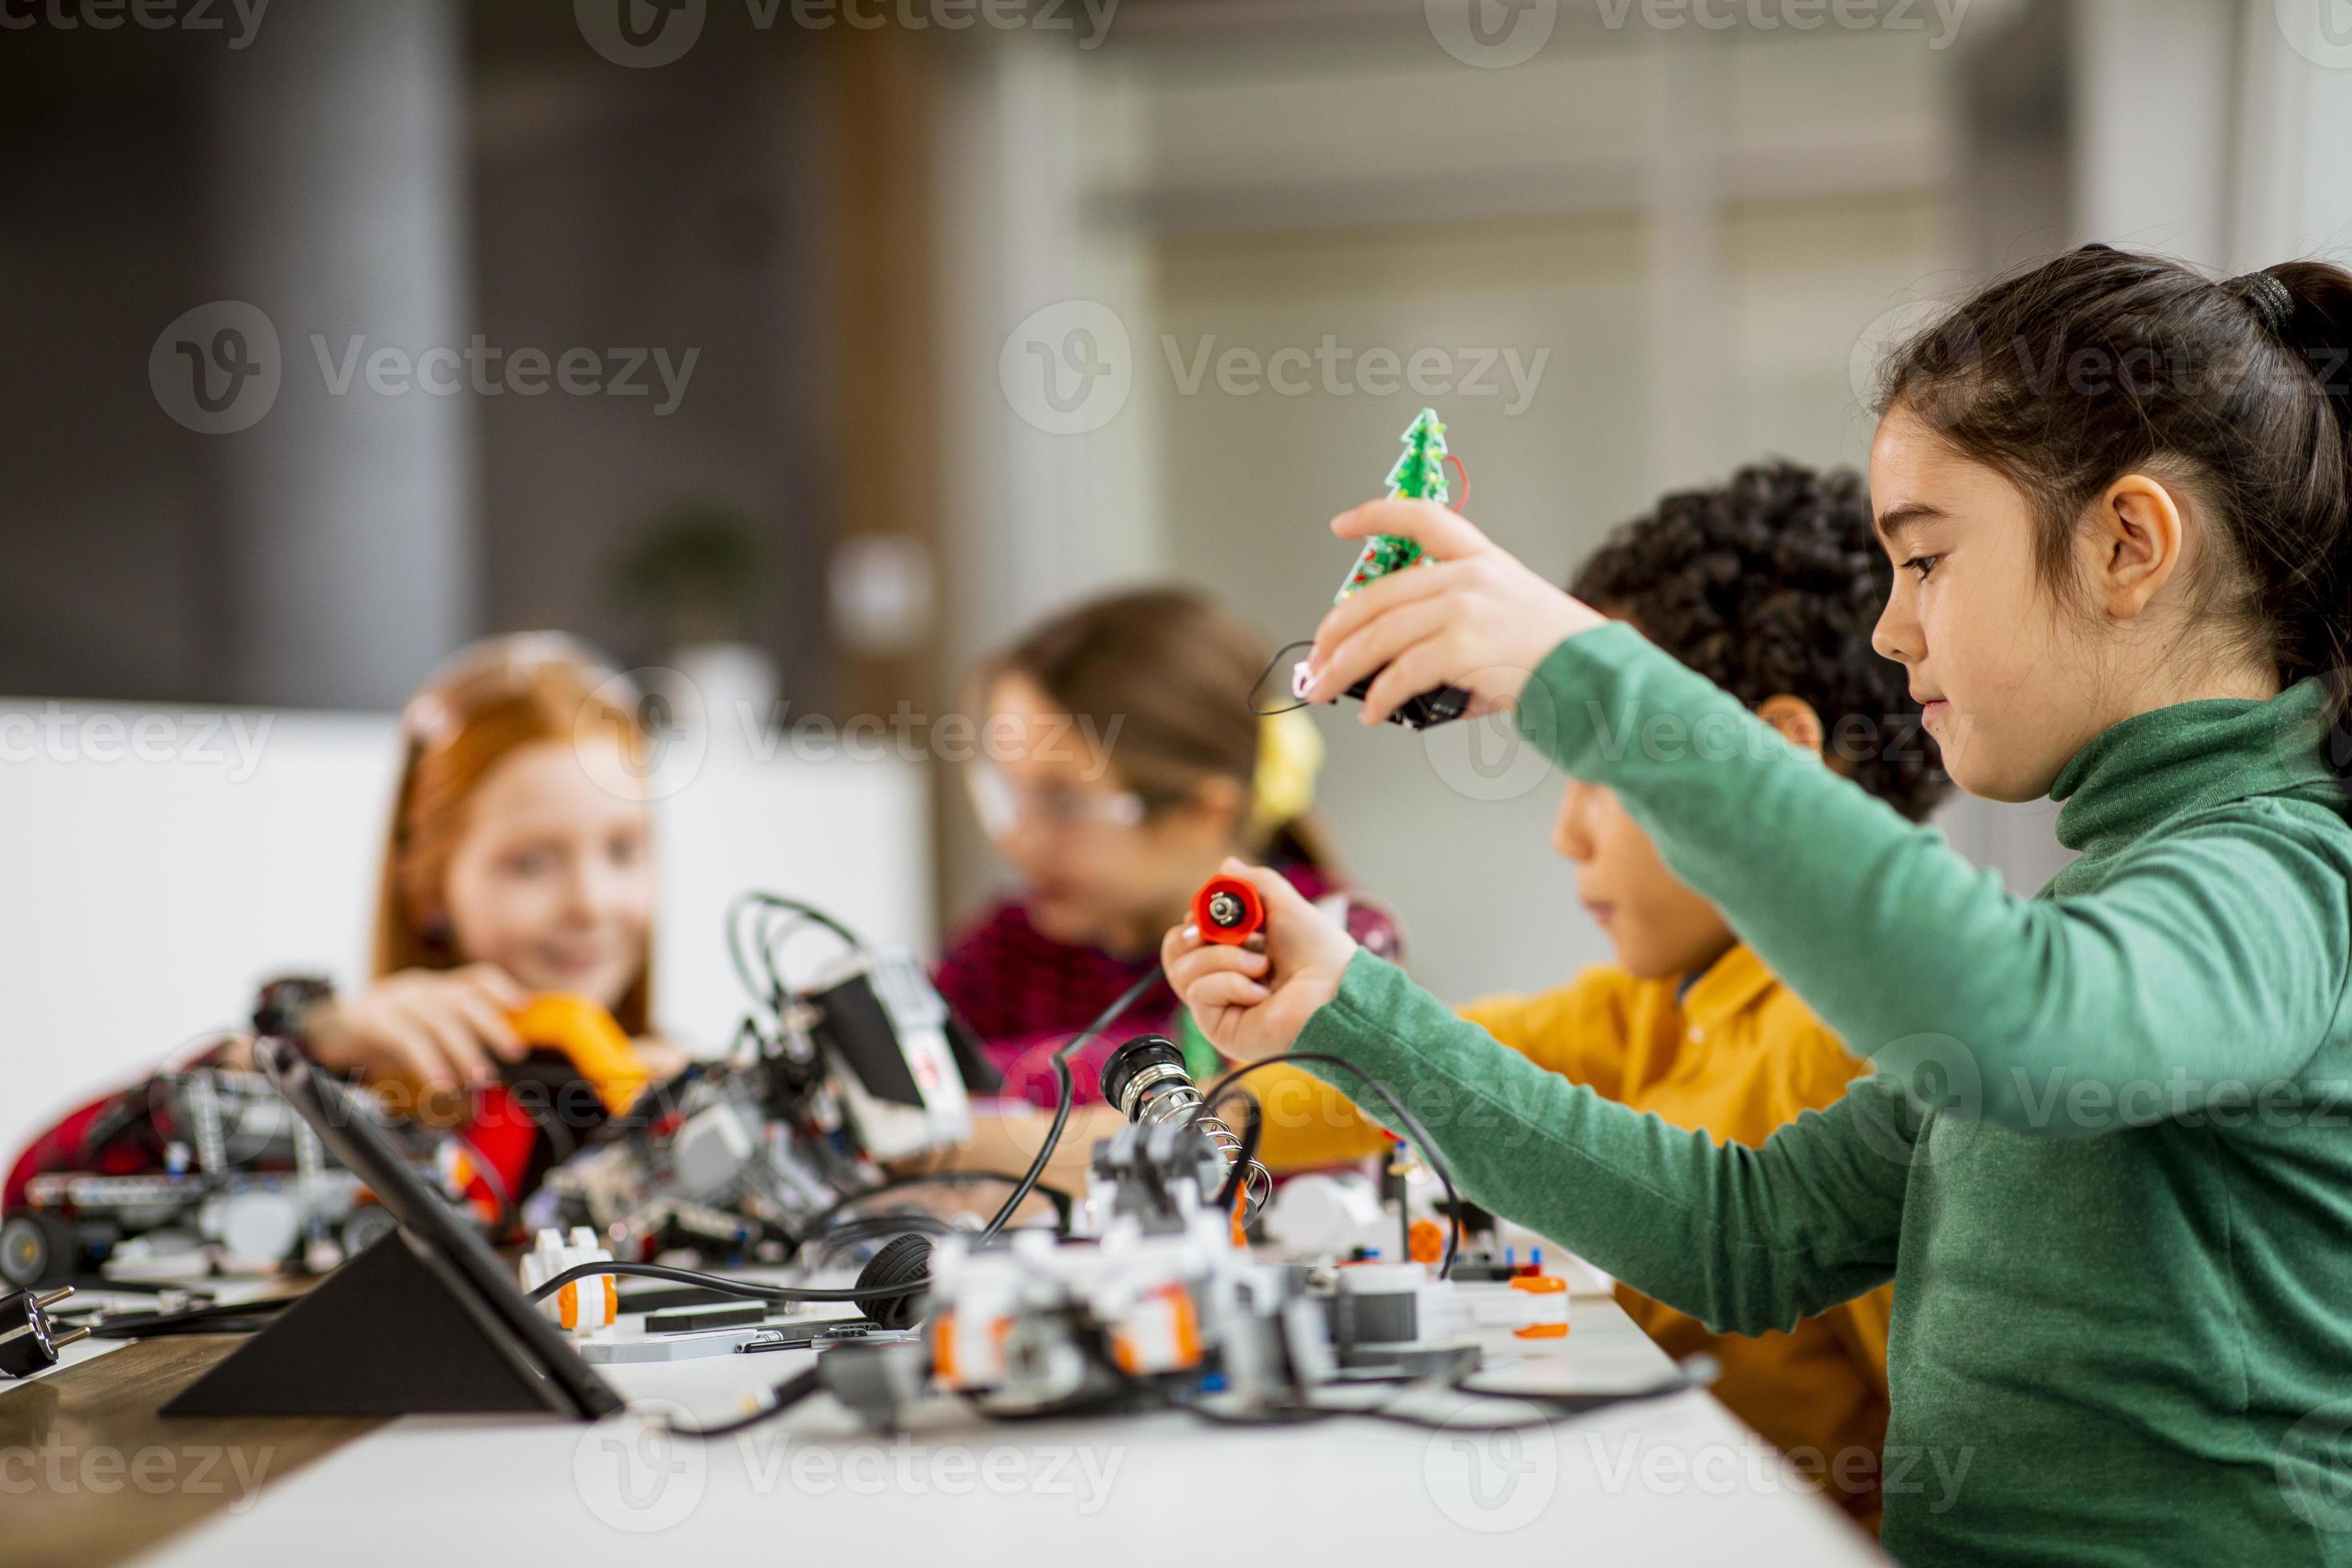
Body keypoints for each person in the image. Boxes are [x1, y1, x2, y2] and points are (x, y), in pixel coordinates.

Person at [1166, 249, 2352, 1564]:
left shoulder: (2284, 881)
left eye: (1927, 562)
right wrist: (1358, 1019)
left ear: (2129, 543)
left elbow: (2025, 1016)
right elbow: (1753, 1234)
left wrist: (1589, 678)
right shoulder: (2120, 900)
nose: (1894, 633)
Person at [1230, 462, 1947, 1523]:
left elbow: (1960, 1467)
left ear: (1774, 762)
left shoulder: (1836, 1044)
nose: (1567, 833)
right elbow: (1362, 1082)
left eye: (1605, 771)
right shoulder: (1666, 1006)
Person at [6, 633, 681, 1218]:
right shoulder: (356, 1101)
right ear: (428, 887)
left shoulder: (688, 1104)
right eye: (530, 864)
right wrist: (290, 1056)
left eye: (623, 849)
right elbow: (33, 1189)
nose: (590, 902)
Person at [931, 586, 1392, 1192]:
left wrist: (955, 1132)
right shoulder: (1012, 944)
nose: (1016, 839)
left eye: (1061, 802)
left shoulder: (1318, 937)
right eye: (1003, 793)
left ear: (1201, 812)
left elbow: (1245, 1124)